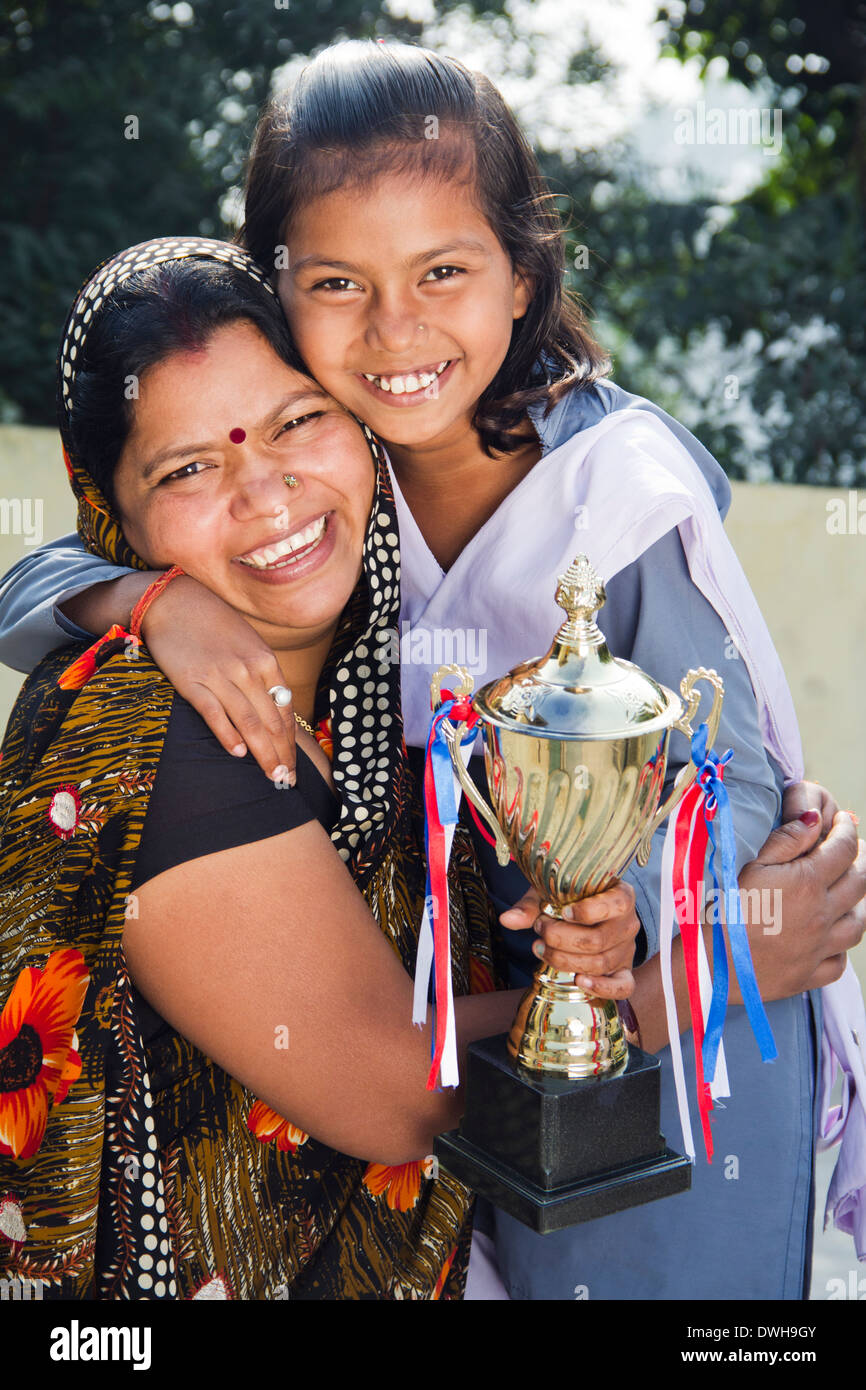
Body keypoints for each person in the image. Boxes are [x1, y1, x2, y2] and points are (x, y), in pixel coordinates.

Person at [1, 42, 863, 1298]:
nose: (394, 328)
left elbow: (728, 778)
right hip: (497, 1058)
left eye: (442, 273)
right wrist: (148, 599)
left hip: (685, 1018)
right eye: (340, 284)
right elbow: (34, 581)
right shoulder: (331, 477)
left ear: (520, 276)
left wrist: (661, 926)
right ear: (282, 292)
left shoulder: (603, 492)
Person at [0, 237, 636, 1301]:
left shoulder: (386, 688)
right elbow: (392, 1086)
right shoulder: (151, 718)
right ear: (112, 511)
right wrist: (698, 991)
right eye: (188, 467)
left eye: (298, 421)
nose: (267, 492)